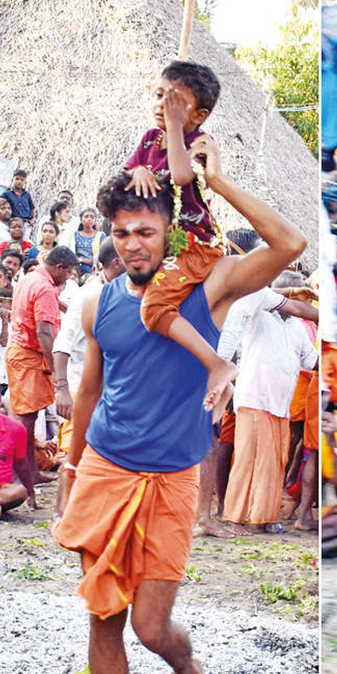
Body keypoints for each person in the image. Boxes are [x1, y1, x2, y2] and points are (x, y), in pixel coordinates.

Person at [52, 135, 306, 674]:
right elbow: (90, 391)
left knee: (151, 625)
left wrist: (216, 184)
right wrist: (70, 470)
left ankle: (187, 671)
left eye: (146, 231)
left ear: (169, 230)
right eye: (122, 232)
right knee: (104, 616)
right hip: (105, 466)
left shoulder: (209, 290)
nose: (133, 244)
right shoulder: (97, 302)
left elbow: (290, 244)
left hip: (172, 478)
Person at [124, 60, 242, 413]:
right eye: (160, 95)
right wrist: (139, 169)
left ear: (199, 115)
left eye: (176, 103)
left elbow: (180, 175)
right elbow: (127, 173)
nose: (163, 105)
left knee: (154, 309)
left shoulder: (200, 141)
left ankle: (218, 366)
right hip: (159, 246)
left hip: (194, 246)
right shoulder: (149, 138)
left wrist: (176, 125)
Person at [218, 280, 319, 532]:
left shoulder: (297, 327)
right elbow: (251, 290)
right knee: (247, 459)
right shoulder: (258, 314)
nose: (302, 305)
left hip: (281, 405)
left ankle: (264, 518)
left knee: (275, 463)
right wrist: (289, 293)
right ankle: (233, 518)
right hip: (255, 398)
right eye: (299, 299)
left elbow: (311, 360)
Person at [4, 246, 76, 490]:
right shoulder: (44, 287)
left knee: (30, 417)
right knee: (24, 419)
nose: (68, 278)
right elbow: (44, 332)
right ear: (59, 268)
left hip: (24, 354)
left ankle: (31, 472)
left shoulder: (30, 277)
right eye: (68, 272)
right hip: (28, 355)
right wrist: (57, 370)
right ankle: (20, 475)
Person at [0, 373, 33, 517]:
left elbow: (21, 464)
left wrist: (31, 493)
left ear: (0, 399)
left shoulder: (16, 428)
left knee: (20, 492)